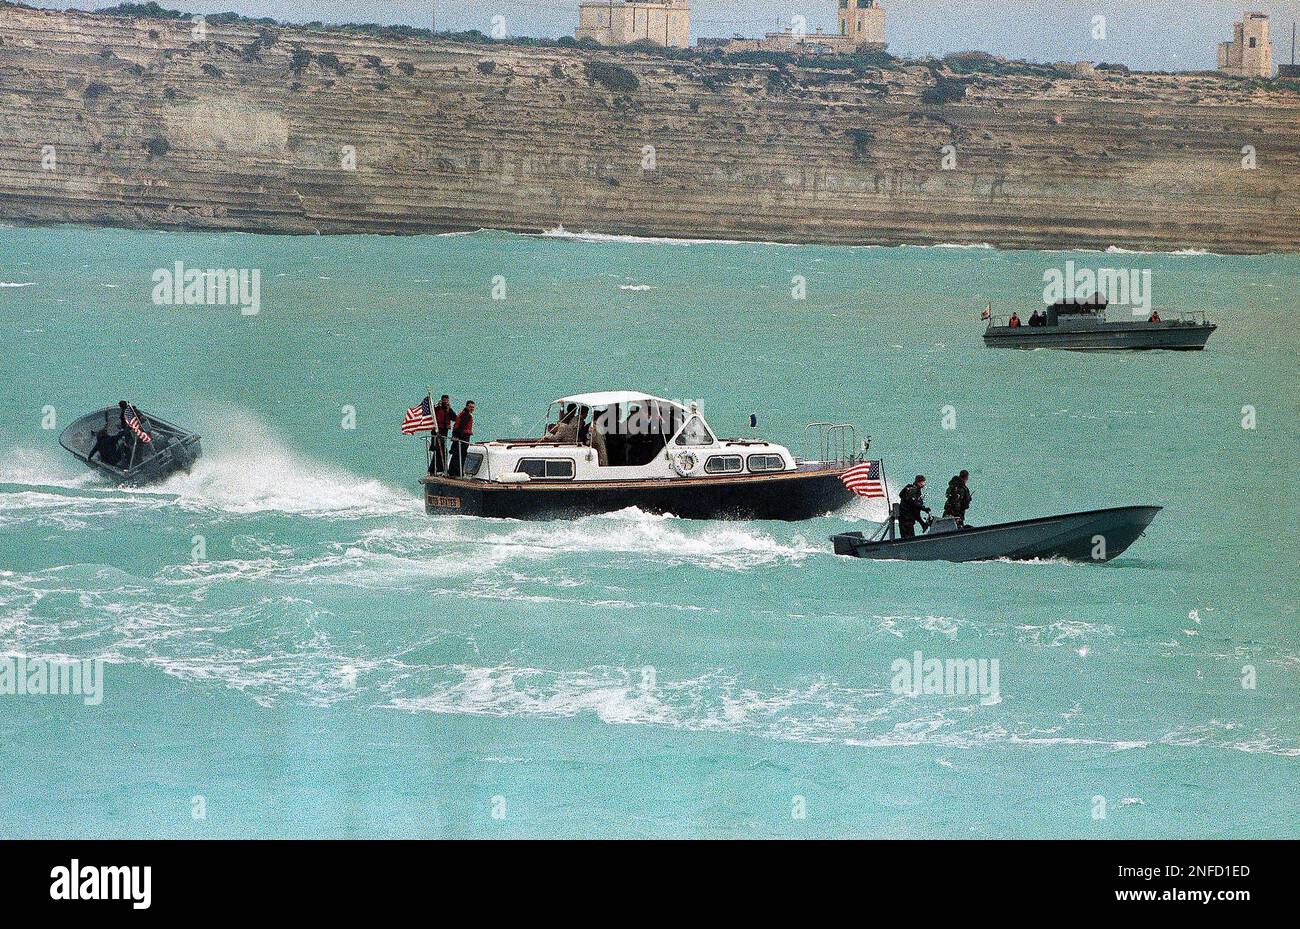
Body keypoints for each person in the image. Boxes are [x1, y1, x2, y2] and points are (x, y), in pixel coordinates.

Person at [429, 395, 455, 475]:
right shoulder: (437, 408)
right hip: (437, 432)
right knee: (438, 451)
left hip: (444, 432)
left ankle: (441, 469)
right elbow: (431, 413)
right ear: (442, 400)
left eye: (447, 400)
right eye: (444, 400)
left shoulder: (448, 410)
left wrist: (449, 409)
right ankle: (433, 470)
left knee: (443, 451)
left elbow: (454, 418)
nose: (446, 402)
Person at [448, 400, 475, 477]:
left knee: (457, 455)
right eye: (470, 407)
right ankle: (456, 473)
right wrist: (458, 437)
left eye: (473, 407)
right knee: (460, 455)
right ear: (467, 406)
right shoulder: (466, 415)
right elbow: (461, 427)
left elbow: (457, 426)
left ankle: (453, 472)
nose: (472, 409)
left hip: (460, 437)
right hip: (463, 438)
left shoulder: (463, 414)